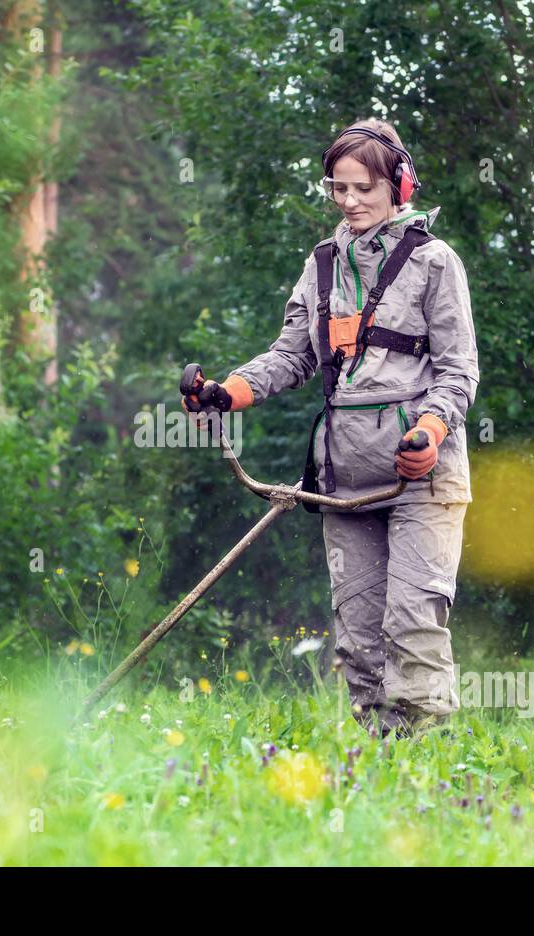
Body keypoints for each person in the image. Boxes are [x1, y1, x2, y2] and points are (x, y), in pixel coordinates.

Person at [182, 118, 480, 740]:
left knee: (411, 624)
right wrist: (226, 392)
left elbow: (458, 374)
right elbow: (292, 355)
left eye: (362, 188)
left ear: (399, 185)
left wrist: (428, 431)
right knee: (360, 634)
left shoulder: (434, 263)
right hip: (342, 478)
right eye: (337, 188)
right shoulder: (322, 266)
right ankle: (381, 760)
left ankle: (430, 767)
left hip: (420, 478)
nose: (349, 202)